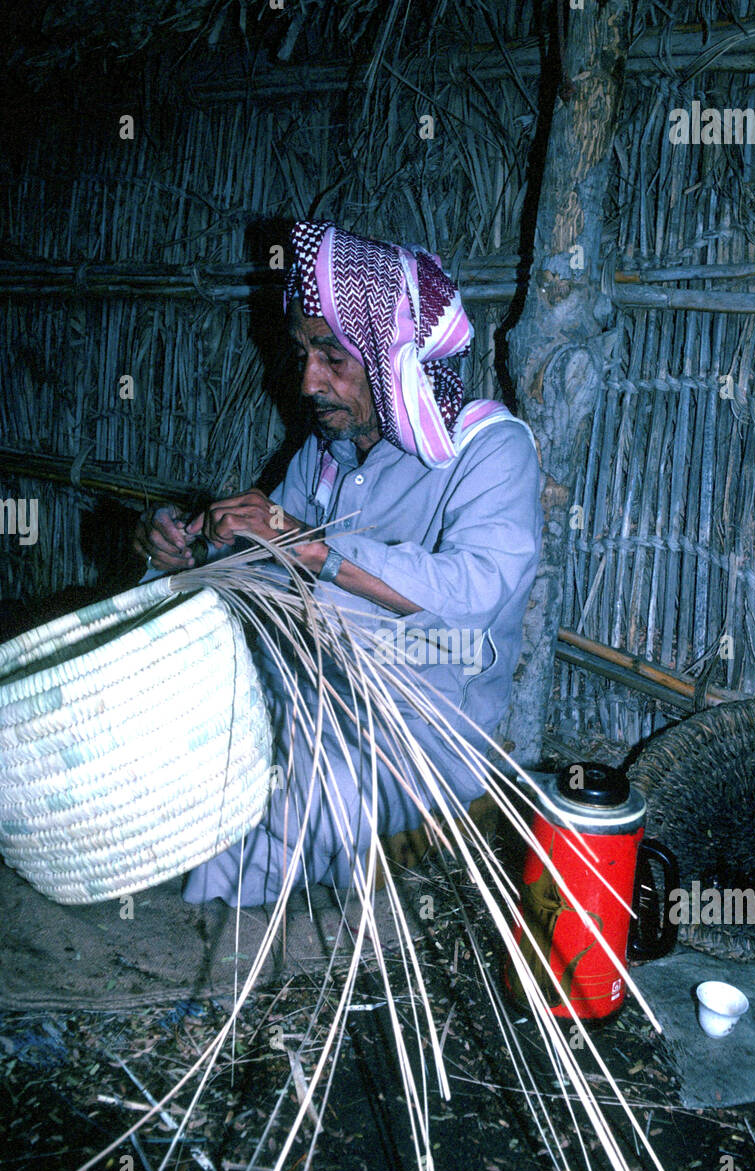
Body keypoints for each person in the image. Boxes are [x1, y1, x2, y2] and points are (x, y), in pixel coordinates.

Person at [134, 221, 542, 904]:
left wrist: (312, 547)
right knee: (181, 740)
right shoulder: (328, 453)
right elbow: (266, 571)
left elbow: (477, 589)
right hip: (319, 699)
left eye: (333, 356)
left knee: (282, 804)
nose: (308, 381)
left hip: (420, 745)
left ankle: (233, 947)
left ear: (392, 354)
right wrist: (193, 551)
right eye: (301, 354)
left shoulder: (489, 449)